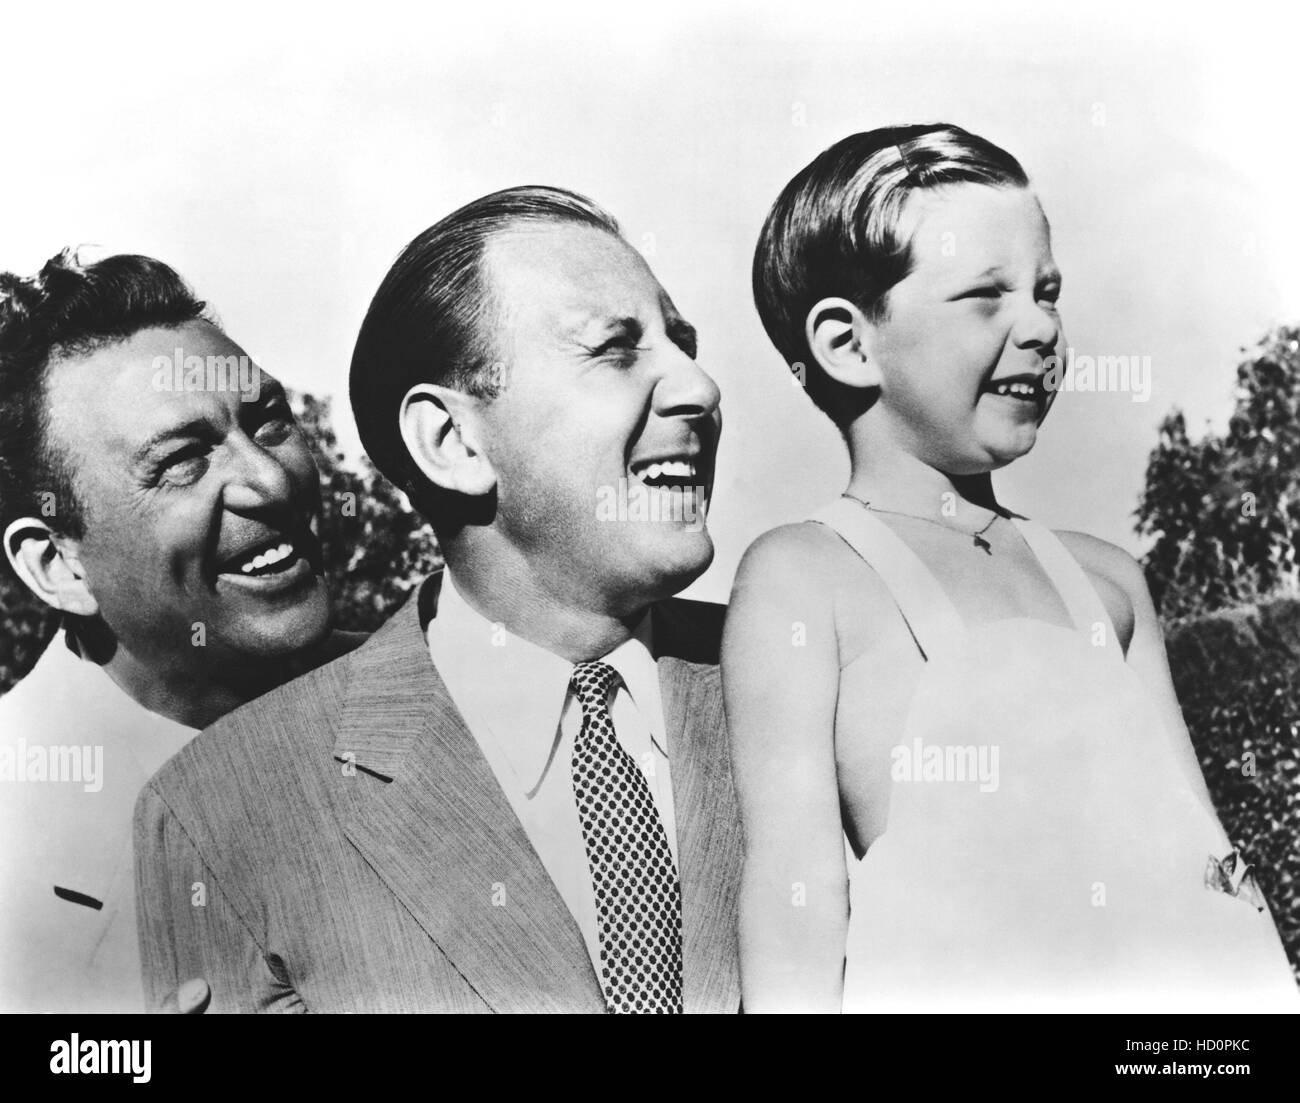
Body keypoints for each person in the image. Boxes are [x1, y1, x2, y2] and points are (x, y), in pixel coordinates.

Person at [724, 124, 1299, 1013]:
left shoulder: (1108, 580)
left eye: (1047, 291)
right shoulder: (805, 577)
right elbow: (797, 904)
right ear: (846, 344)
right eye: (986, 296)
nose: (1040, 326)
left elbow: (1208, 863)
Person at [134, 186, 742, 1013]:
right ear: (453, 443)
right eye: (615, 350)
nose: (700, 388)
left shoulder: (827, 684)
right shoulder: (219, 810)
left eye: (685, 344)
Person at [0, 250, 363, 1013]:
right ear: (58, 564)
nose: (270, 480)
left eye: (268, 421)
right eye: (182, 461)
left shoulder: (428, 699)